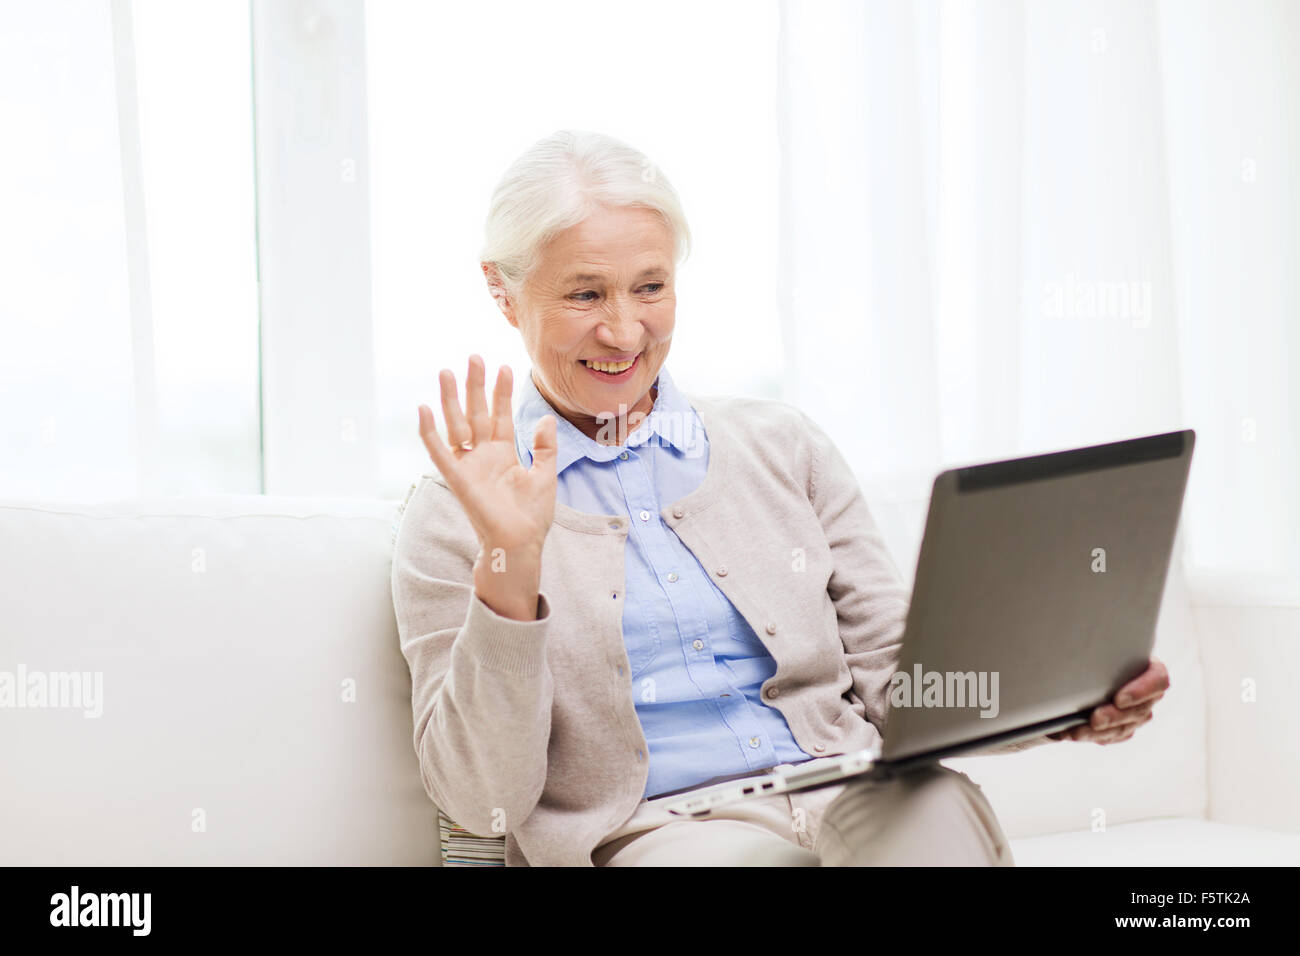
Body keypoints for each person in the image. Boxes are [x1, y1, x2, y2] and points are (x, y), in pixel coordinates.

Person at [391, 130, 1169, 867]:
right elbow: (483, 798)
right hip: (666, 832)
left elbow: (899, 683)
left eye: (651, 287)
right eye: (586, 294)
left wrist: (1061, 703)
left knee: (934, 815)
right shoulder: (451, 514)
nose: (625, 332)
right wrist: (511, 567)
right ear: (502, 291)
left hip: (851, 790)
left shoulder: (783, 445)